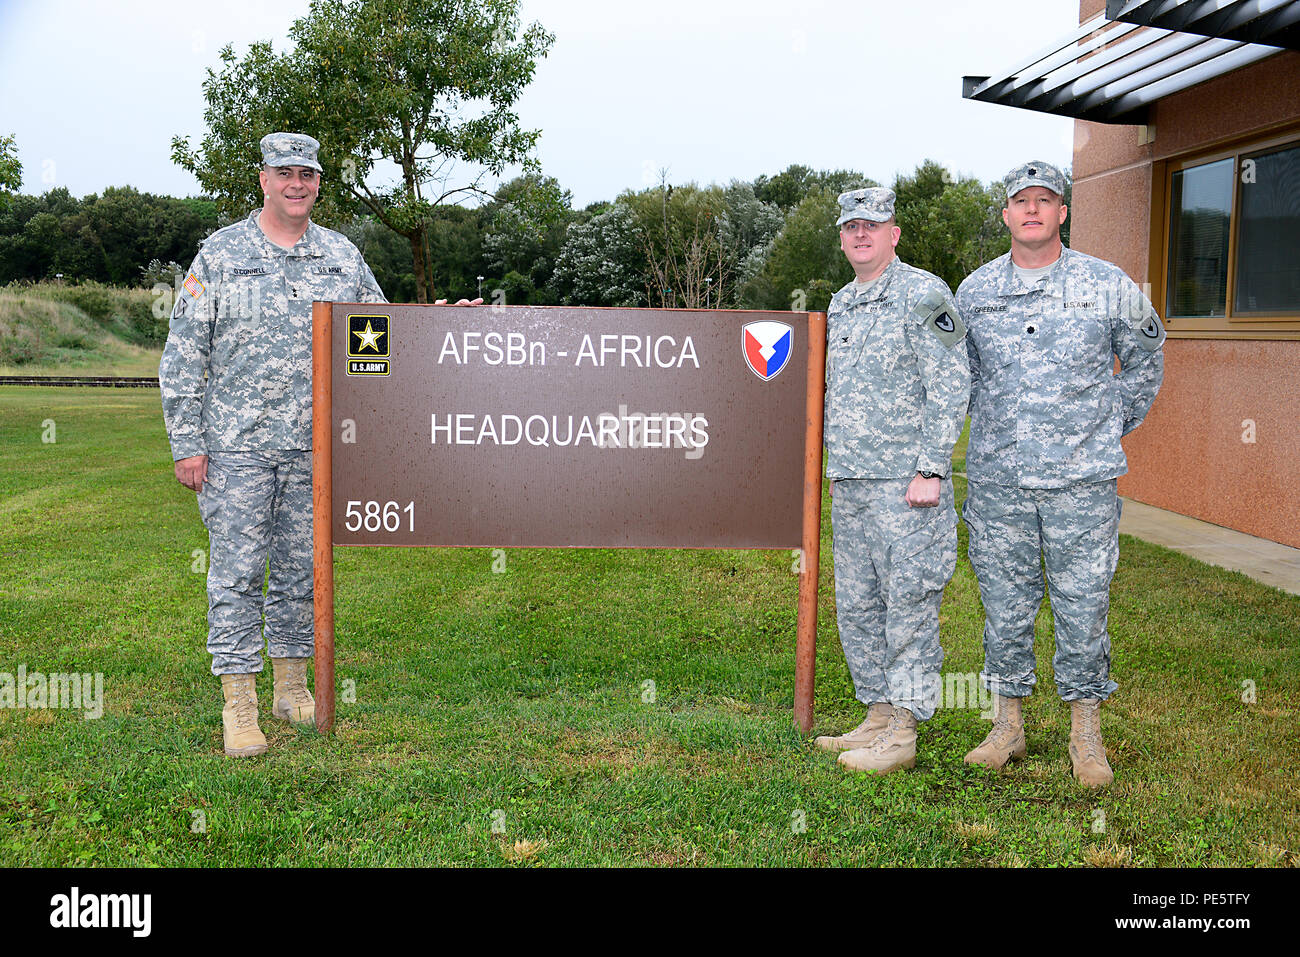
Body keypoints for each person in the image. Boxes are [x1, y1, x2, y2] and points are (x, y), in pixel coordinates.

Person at [160, 132, 389, 757]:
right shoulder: (221, 255)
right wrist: (188, 442)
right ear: (263, 180)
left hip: (312, 447)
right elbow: (184, 354)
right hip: (236, 446)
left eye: (308, 175)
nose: (298, 184)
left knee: (299, 570)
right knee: (235, 574)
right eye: (285, 173)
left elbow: (380, 341)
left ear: (318, 183)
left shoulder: (341, 258)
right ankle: (240, 701)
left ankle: (291, 686)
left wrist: (443, 323)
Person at [956, 160, 1165, 787]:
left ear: (1062, 214)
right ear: (1006, 215)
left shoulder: (1108, 285)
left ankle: (1085, 731)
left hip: (1081, 483)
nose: (1033, 211)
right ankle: (1008, 726)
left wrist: (1106, 425)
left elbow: (1148, 356)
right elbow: (956, 378)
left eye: (1045, 201)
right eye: (1021, 201)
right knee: (1004, 604)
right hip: (999, 481)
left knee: (1083, 602)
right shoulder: (976, 292)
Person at [815, 187, 971, 775]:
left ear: (894, 233)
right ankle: (877, 714)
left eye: (872, 225)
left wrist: (932, 466)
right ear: (842, 236)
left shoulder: (923, 294)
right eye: (852, 226)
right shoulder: (841, 304)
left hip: (907, 487)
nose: (861, 234)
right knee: (858, 604)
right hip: (852, 481)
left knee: (907, 605)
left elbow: (952, 382)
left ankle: (903, 731)